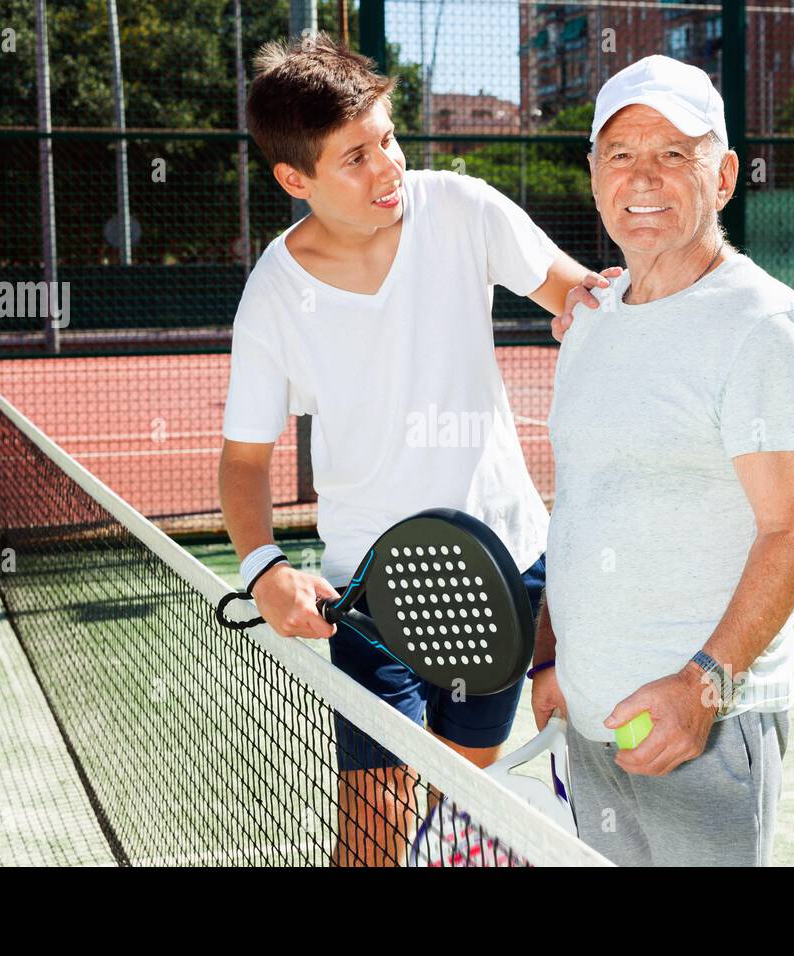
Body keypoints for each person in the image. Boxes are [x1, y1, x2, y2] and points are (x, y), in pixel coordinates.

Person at [218, 33, 610, 865]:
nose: (388, 167)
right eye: (355, 157)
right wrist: (264, 568)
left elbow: (571, 289)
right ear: (297, 180)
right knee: (371, 834)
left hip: (513, 572)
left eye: (388, 138)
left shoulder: (462, 209)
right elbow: (244, 461)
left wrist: (606, 305)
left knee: (455, 806)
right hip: (371, 590)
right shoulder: (275, 296)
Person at [533, 55, 794, 866]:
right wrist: (552, 655)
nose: (644, 178)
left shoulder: (761, 322)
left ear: (726, 174)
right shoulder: (590, 321)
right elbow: (579, 504)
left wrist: (702, 690)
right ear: (594, 174)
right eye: (622, 153)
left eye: (675, 153)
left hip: (706, 726)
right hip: (593, 723)